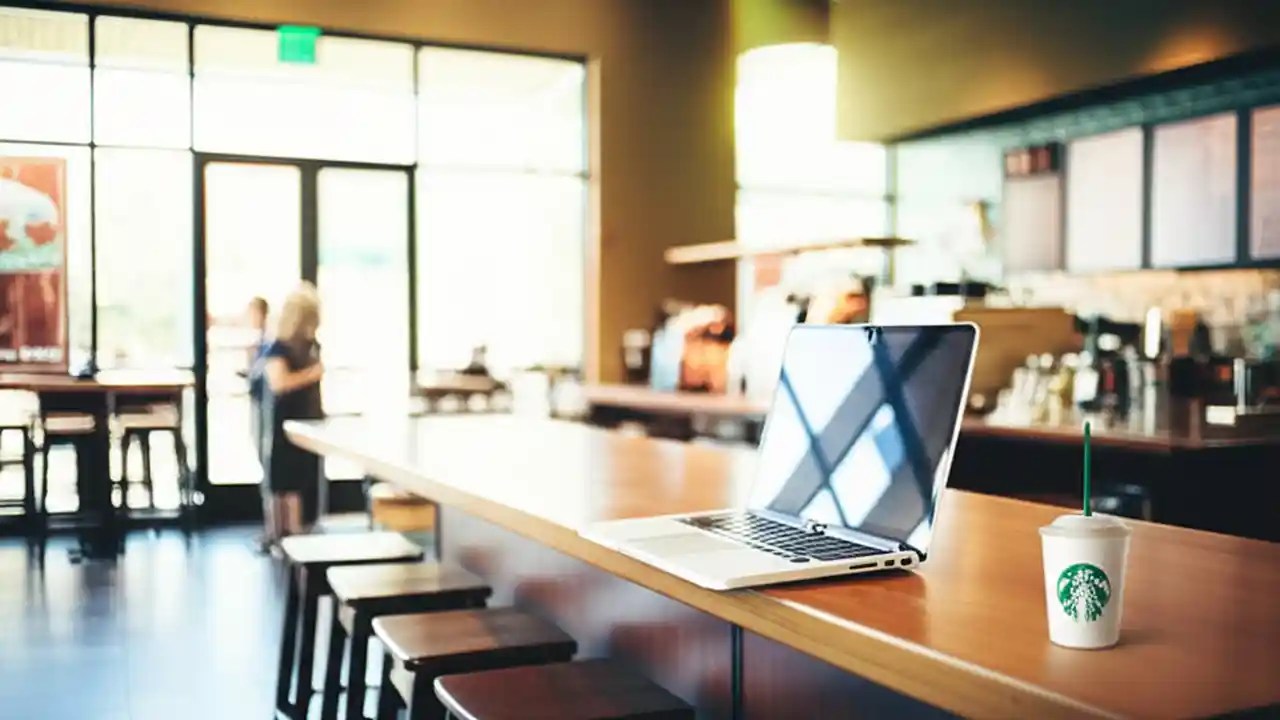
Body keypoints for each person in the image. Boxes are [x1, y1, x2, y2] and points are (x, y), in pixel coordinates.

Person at [260, 283, 324, 543]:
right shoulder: (278, 348)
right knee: (283, 480)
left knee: (302, 480)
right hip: (284, 423)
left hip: (308, 421)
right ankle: (280, 534)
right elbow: (279, 383)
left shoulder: (311, 346)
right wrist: (312, 374)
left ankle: (299, 532)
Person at [243, 297, 274, 552]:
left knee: (269, 466)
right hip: (260, 406)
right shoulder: (260, 343)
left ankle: (273, 532)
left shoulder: (271, 343)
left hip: (267, 410)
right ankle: (270, 530)